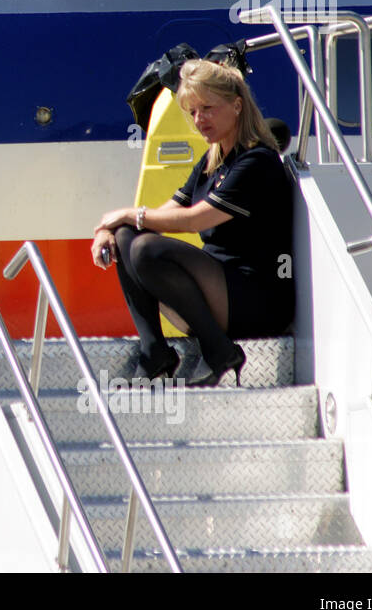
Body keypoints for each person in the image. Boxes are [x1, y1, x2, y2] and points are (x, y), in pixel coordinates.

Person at [91, 59, 294, 386]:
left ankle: (218, 350)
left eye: (208, 108)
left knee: (145, 249)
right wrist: (109, 229)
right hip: (221, 290)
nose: (200, 119)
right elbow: (162, 213)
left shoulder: (256, 161)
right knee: (130, 237)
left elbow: (194, 219)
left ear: (237, 105)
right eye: (193, 111)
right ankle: (155, 351)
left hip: (258, 299)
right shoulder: (212, 160)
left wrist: (127, 215)